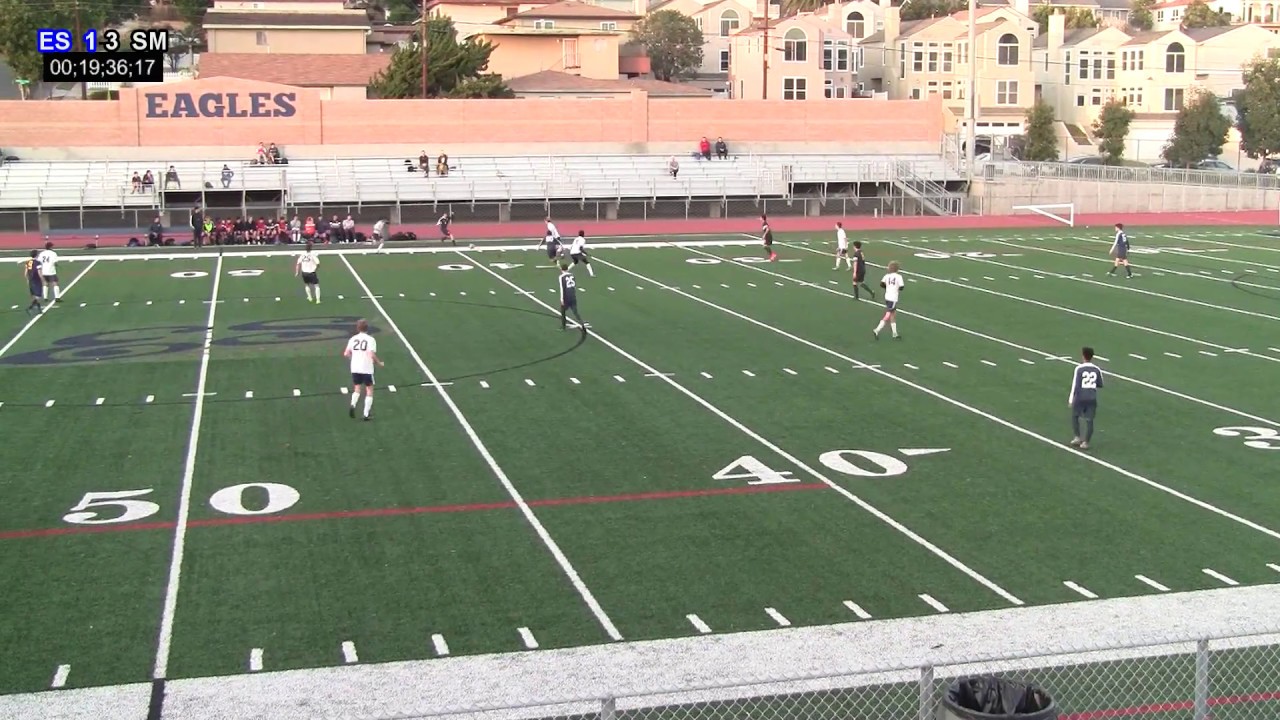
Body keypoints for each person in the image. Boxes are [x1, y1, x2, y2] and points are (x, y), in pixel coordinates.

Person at [343, 318, 383, 422]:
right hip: (366, 368)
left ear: (357, 328)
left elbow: (346, 353)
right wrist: (379, 363)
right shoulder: (370, 339)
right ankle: (366, 414)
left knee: (357, 388)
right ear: (367, 328)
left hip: (355, 367)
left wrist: (353, 358)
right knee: (369, 390)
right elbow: (371, 354)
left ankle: (353, 404)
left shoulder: (353, 339)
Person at [1069, 346, 1105, 450]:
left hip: (1080, 397)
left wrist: (1071, 399)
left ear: (1083, 355)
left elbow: (1075, 385)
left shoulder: (1079, 368)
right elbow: (1100, 384)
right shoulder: (1097, 369)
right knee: (1090, 420)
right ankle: (1086, 442)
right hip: (1092, 398)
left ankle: (1077, 437)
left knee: (1075, 416)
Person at [873, 260, 904, 340]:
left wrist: (888, 287)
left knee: (893, 314)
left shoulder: (887, 276)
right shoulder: (898, 277)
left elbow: (881, 284)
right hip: (893, 298)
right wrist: (895, 288)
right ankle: (877, 329)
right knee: (888, 314)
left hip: (887, 296)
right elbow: (901, 287)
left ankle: (894, 333)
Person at [559, 262, 586, 335]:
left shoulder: (561, 277)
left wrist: (562, 299)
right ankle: (583, 325)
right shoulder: (572, 275)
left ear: (562, 269)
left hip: (566, 297)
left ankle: (563, 326)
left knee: (563, 311)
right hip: (573, 295)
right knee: (576, 312)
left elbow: (562, 288)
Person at [23, 250, 42, 314]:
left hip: (30, 279)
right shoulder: (38, 262)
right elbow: (39, 272)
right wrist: (42, 279)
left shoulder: (28, 262)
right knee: (38, 295)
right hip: (36, 280)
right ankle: (30, 307)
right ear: (36, 255)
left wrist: (27, 279)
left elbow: (25, 273)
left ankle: (39, 309)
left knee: (34, 295)